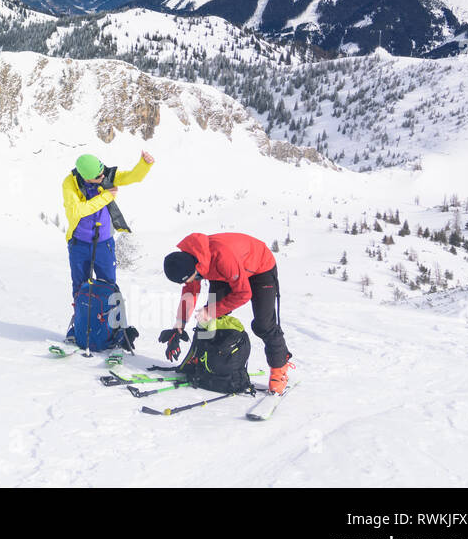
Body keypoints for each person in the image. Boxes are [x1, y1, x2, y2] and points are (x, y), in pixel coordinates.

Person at [160, 232, 295, 393]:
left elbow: (243, 294)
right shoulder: (190, 262)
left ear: (196, 266)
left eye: (190, 278)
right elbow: (190, 294)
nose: (189, 282)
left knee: (263, 324)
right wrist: (179, 325)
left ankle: (279, 368)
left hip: (260, 268)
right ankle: (200, 358)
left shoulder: (221, 256)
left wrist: (211, 311)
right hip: (225, 273)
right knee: (207, 317)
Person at [61, 150, 154, 344]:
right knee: (79, 287)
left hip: (104, 243)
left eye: (102, 171)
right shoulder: (69, 184)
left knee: (109, 286)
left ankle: (114, 330)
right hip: (79, 243)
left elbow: (131, 177)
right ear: (86, 177)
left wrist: (144, 165)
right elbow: (78, 211)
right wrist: (106, 197)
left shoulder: (106, 174)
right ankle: (80, 325)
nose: (103, 176)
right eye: (98, 176)